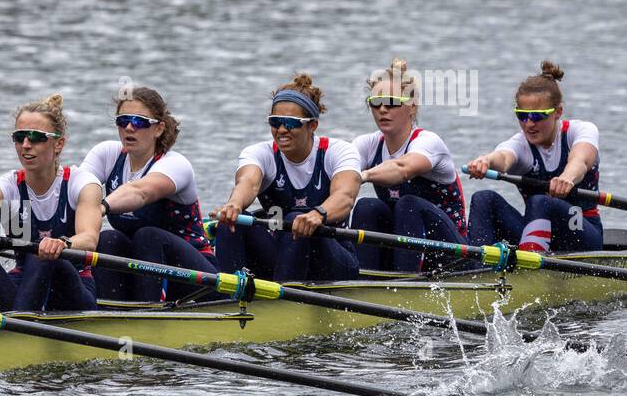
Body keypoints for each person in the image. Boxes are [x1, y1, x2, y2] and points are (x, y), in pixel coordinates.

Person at [0, 94, 103, 311]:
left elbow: (89, 237)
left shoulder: (82, 183)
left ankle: (16, 331)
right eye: (19, 137)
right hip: (22, 285)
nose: (26, 145)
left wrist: (62, 243)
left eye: (36, 137)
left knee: (42, 255)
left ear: (58, 144)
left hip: (72, 290)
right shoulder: (6, 185)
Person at [213, 73, 362, 281]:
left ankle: (285, 301)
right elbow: (248, 182)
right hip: (280, 252)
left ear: (312, 125)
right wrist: (234, 205)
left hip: (333, 258)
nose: (281, 130)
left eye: (291, 123)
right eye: (275, 122)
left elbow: (345, 196)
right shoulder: (259, 153)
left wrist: (318, 215)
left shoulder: (338, 152)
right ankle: (228, 297)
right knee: (233, 222)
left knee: (294, 220)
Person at [78, 86, 215, 302]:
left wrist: (100, 206)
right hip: (141, 270)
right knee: (108, 238)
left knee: (148, 236)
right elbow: (75, 192)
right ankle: (109, 310)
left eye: (139, 122)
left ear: (159, 129)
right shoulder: (107, 154)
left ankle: (146, 313)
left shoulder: (175, 164)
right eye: (123, 121)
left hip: (195, 277)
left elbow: (140, 192)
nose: (130, 128)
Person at [465, 61, 602, 253]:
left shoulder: (580, 131)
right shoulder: (521, 144)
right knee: (484, 198)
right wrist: (485, 161)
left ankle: (527, 269)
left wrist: (567, 178)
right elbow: (503, 159)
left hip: (582, 232)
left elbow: (580, 161)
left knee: (540, 201)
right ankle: (476, 269)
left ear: (558, 112)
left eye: (537, 116)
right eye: (522, 115)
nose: (529, 124)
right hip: (538, 233)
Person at [349, 58, 468, 272]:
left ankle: (403, 283)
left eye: (392, 102)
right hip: (406, 245)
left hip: (451, 251)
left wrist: (362, 176)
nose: (383, 109)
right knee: (367, 206)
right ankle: (363, 281)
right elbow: (339, 172)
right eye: (376, 102)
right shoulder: (367, 144)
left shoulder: (428, 142)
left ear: (412, 107)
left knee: (408, 204)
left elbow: (402, 169)